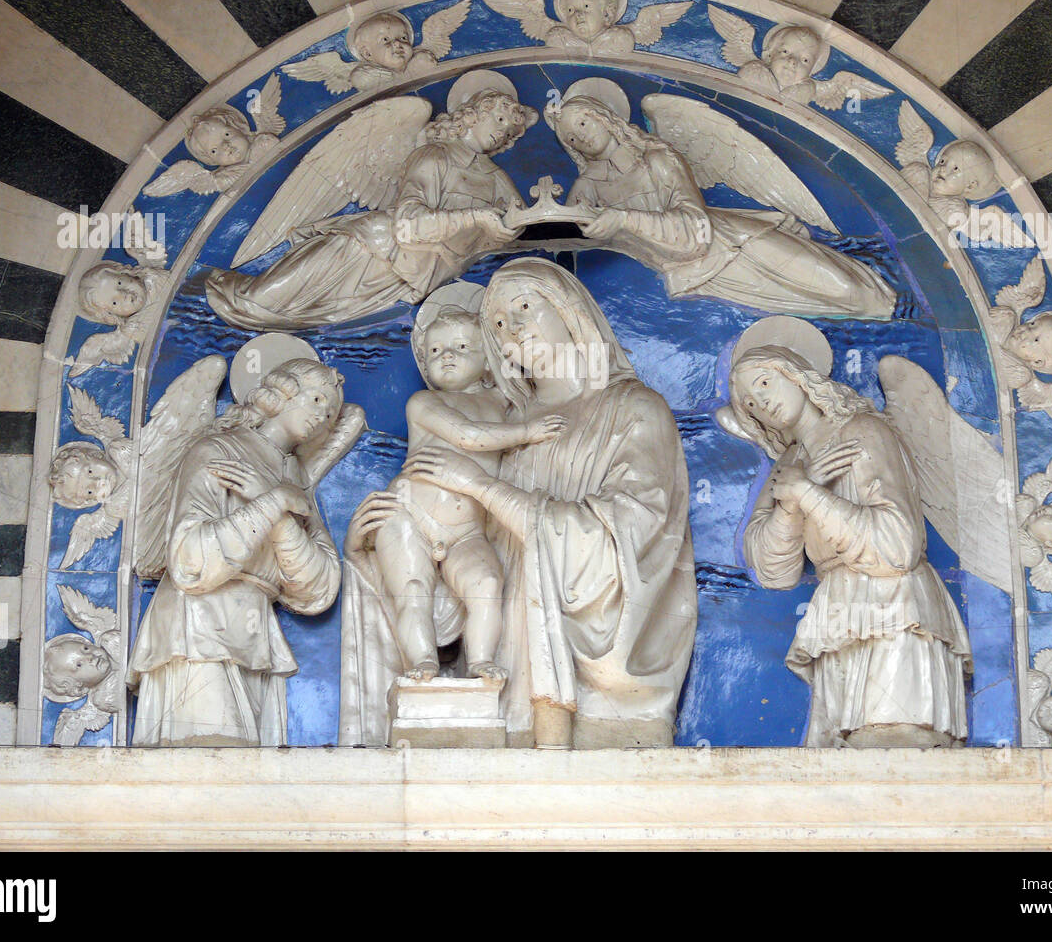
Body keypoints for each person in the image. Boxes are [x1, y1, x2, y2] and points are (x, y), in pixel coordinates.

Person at [343, 259, 698, 749]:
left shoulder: (634, 410)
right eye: (499, 326)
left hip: (594, 687)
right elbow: (445, 550)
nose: (514, 331)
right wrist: (365, 549)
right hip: (503, 677)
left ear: (569, 310)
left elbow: (628, 534)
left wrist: (485, 489)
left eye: (526, 308)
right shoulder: (501, 425)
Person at [725, 322, 972, 748]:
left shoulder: (862, 432)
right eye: (749, 403)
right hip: (840, 617)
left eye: (765, 382)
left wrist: (810, 495)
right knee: (844, 772)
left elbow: (899, 547)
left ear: (798, 374)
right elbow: (773, 571)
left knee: (895, 756)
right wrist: (791, 501)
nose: (761, 401)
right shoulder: (789, 465)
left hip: (895, 612)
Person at [126, 358, 348, 746]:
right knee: (206, 764)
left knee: (245, 778)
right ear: (282, 393)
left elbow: (319, 587)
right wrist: (273, 503)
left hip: (254, 634)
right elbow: (188, 560)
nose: (322, 416)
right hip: (198, 630)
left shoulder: (293, 475)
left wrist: (275, 507)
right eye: (315, 399)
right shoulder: (217, 450)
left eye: (329, 412)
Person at [354, 288, 565, 685]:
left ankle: (482, 660)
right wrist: (527, 432)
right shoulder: (423, 403)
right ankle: (422, 663)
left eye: (461, 346)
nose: (446, 355)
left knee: (486, 582)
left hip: (466, 528)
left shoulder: (505, 406)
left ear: (489, 360)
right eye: (434, 352)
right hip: (408, 515)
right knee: (413, 590)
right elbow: (468, 437)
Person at [204, 85, 538, 331]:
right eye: (498, 118)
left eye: (509, 129)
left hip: (415, 275)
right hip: (374, 247)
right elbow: (407, 225)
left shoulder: (496, 179)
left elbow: (516, 225)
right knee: (263, 301)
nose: (502, 131)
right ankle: (246, 297)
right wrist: (477, 218)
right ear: (474, 114)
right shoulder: (436, 155)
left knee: (317, 313)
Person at [547, 89, 895, 319]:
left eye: (582, 122)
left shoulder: (657, 160)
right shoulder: (586, 189)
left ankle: (899, 303)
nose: (582, 135)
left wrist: (623, 220)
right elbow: (569, 245)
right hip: (701, 278)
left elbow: (695, 232)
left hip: (731, 241)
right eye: (571, 137)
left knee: (850, 289)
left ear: (605, 117)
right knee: (831, 307)